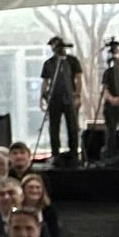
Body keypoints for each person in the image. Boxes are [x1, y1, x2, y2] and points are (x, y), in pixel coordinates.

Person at [39, 36, 83, 164]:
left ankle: (74, 152)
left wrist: (78, 95)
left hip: (70, 96)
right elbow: (45, 82)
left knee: (72, 126)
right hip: (53, 98)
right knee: (54, 126)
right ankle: (55, 153)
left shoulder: (72, 61)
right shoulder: (49, 63)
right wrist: (41, 99)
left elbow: (78, 78)